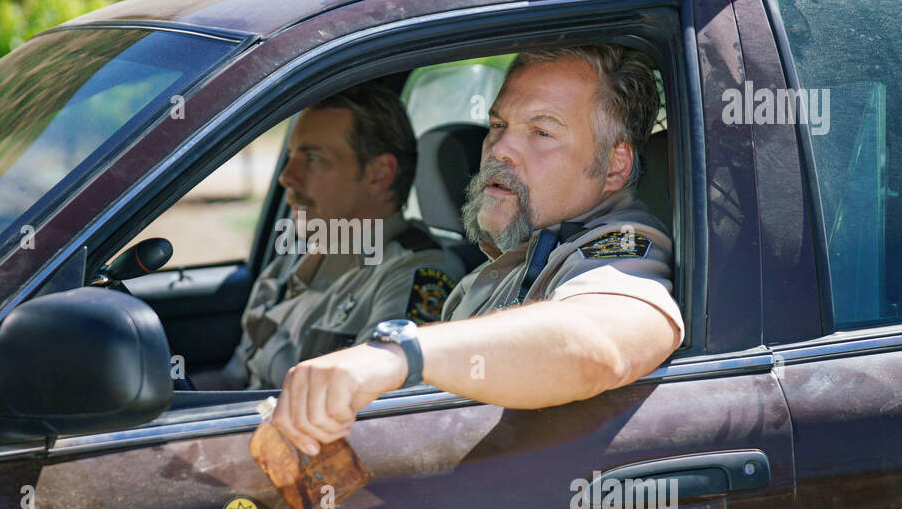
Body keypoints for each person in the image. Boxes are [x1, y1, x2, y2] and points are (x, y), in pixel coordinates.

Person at [269, 44, 684, 453]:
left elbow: (598, 343)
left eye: (542, 132)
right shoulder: (510, 260)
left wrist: (400, 353)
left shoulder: (621, 244)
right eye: (500, 125)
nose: (499, 149)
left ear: (614, 166)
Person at [203, 82, 466, 390]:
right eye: (291, 156)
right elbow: (235, 381)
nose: (287, 176)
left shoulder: (413, 276)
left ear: (378, 175)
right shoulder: (293, 261)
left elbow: (377, 416)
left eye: (313, 158)